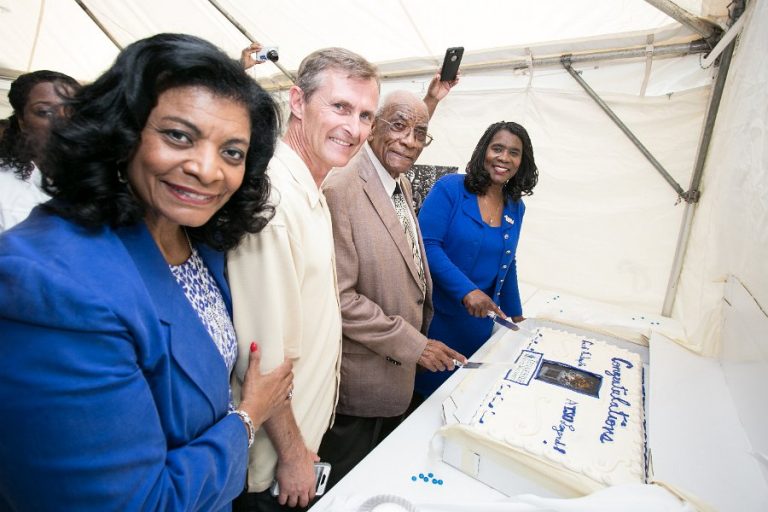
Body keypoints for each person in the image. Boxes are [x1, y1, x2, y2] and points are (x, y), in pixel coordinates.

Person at [0, 33, 293, 511]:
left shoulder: (193, 237)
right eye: (179, 135)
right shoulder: (49, 285)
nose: (207, 169)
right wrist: (249, 415)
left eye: (232, 152)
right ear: (123, 132)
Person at [228, 47, 380, 512]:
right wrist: (293, 455)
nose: (353, 129)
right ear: (297, 102)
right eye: (340, 107)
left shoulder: (309, 188)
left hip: (297, 445)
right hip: (270, 466)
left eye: (366, 115)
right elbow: (263, 360)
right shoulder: (274, 199)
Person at [317, 90, 466, 490]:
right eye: (398, 126)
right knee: (342, 493)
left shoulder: (399, 183)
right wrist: (413, 344)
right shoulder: (342, 188)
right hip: (358, 387)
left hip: (394, 382)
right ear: (372, 126)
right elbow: (340, 299)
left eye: (420, 132)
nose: (410, 141)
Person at [414, 121, 539, 398]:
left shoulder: (516, 207)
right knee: (423, 405)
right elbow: (426, 245)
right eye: (497, 148)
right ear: (484, 151)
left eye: (514, 152)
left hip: (477, 327)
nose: (504, 158)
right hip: (437, 322)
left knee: (464, 398)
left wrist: (515, 315)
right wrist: (467, 291)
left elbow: (507, 262)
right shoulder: (450, 189)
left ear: (522, 161)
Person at [0, 70, 80, 232]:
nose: (63, 120)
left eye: (72, 110)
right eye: (45, 112)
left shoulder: (98, 180)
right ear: (22, 121)